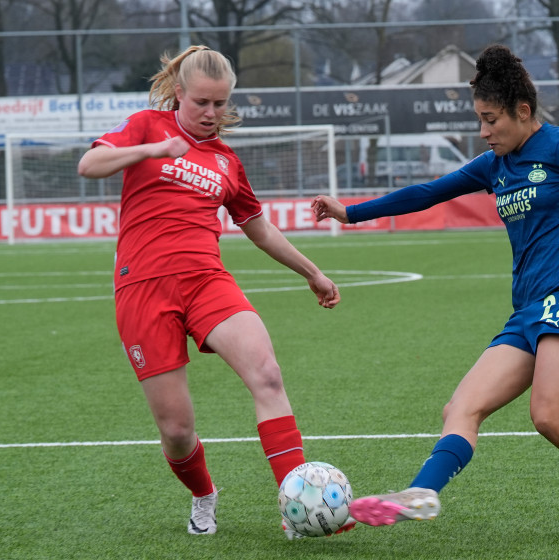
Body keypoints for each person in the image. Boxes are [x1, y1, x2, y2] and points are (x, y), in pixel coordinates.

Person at [311, 44, 559, 545]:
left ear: (523, 112)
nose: (483, 131)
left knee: (547, 415)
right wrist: (350, 212)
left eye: (490, 118)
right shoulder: (492, 165)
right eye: (479, 119)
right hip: (527, 314)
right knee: (460, 408)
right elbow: (427, 193)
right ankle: (419, 494)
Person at [77, 45, 352, 539]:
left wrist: (313, 272)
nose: (211, 113)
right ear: (179, 93)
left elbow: (259, 228)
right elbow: (90, 164)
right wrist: (153, 151)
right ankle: (204, 493)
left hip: (207, 281)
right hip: (143, 289)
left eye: (220, 104)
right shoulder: (145, 126)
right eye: (202, 102)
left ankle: (298, 503)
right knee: (177, 431)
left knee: (267, 375)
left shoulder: (226, 160)